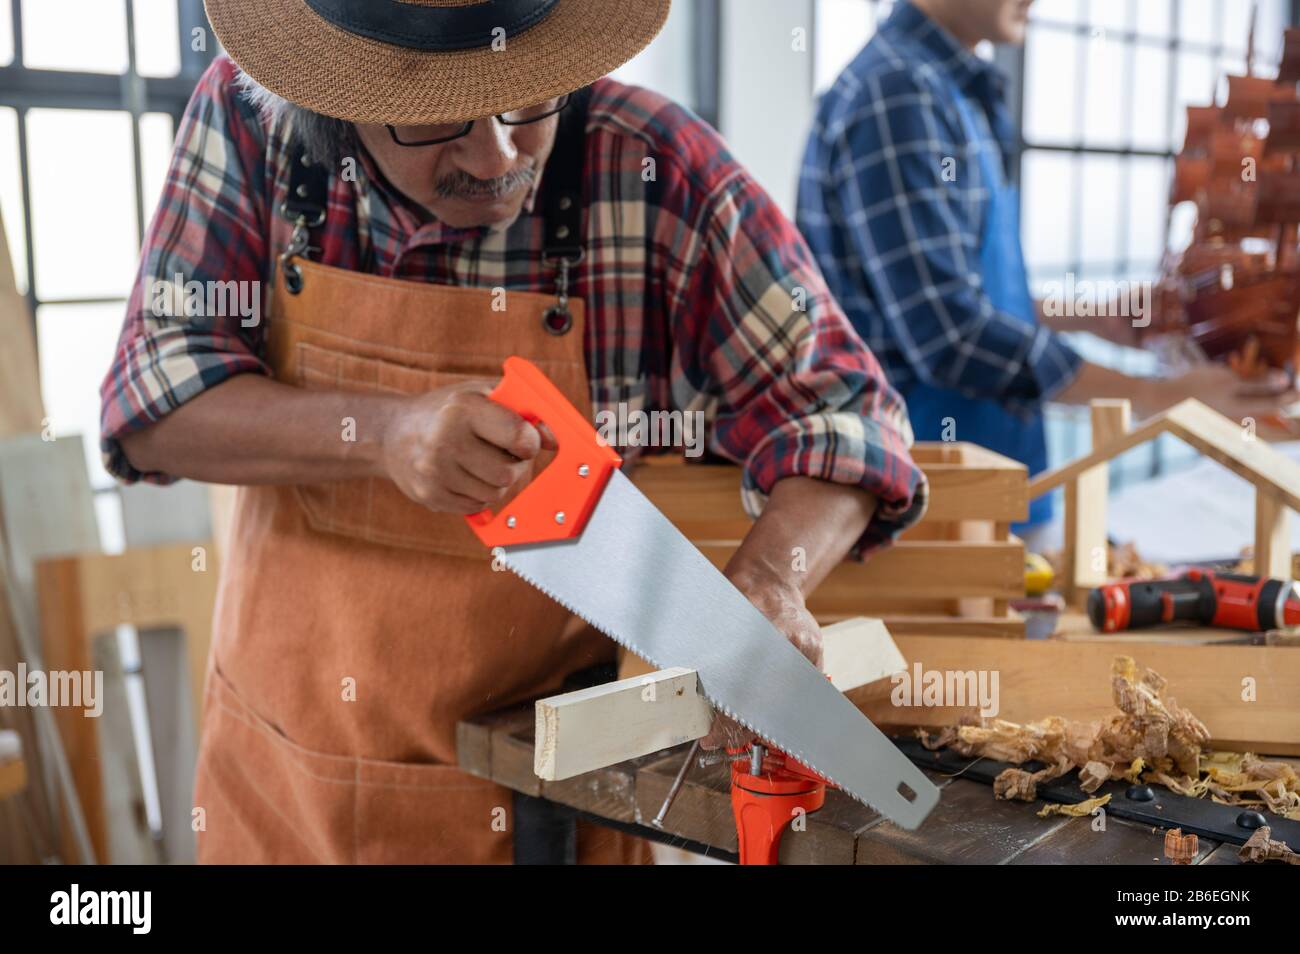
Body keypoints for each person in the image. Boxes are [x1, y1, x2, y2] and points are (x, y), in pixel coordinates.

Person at [100, 0, 927, 863]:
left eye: (527, 102)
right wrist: (383, 433)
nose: (495, 156)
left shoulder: (653, 163)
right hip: (287, 781)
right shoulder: (250, 119)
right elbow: (152, 405)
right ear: (335, 104)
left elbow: (849, 414)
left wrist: (766, 586)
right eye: (435, 118)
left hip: (545, 800)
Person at [798, 0, 1282, 528]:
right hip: (927, 507)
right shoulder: (899, 97)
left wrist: (1083, 316)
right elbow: (948, 335)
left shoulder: (942, 88)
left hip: (987, 490)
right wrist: (1157, 396)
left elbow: (940, 293)